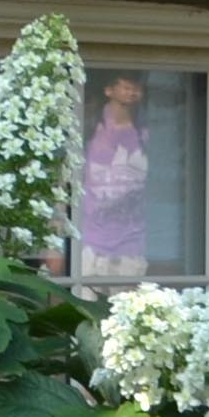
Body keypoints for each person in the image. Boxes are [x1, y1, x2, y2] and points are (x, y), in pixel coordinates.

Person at [81, 74, 152, 279]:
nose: (132, 92)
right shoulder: (90, 128)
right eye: (126, 86)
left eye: (136, 87)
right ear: (109, 90)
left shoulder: (145, 133)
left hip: (131, 240)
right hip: (90, 240)